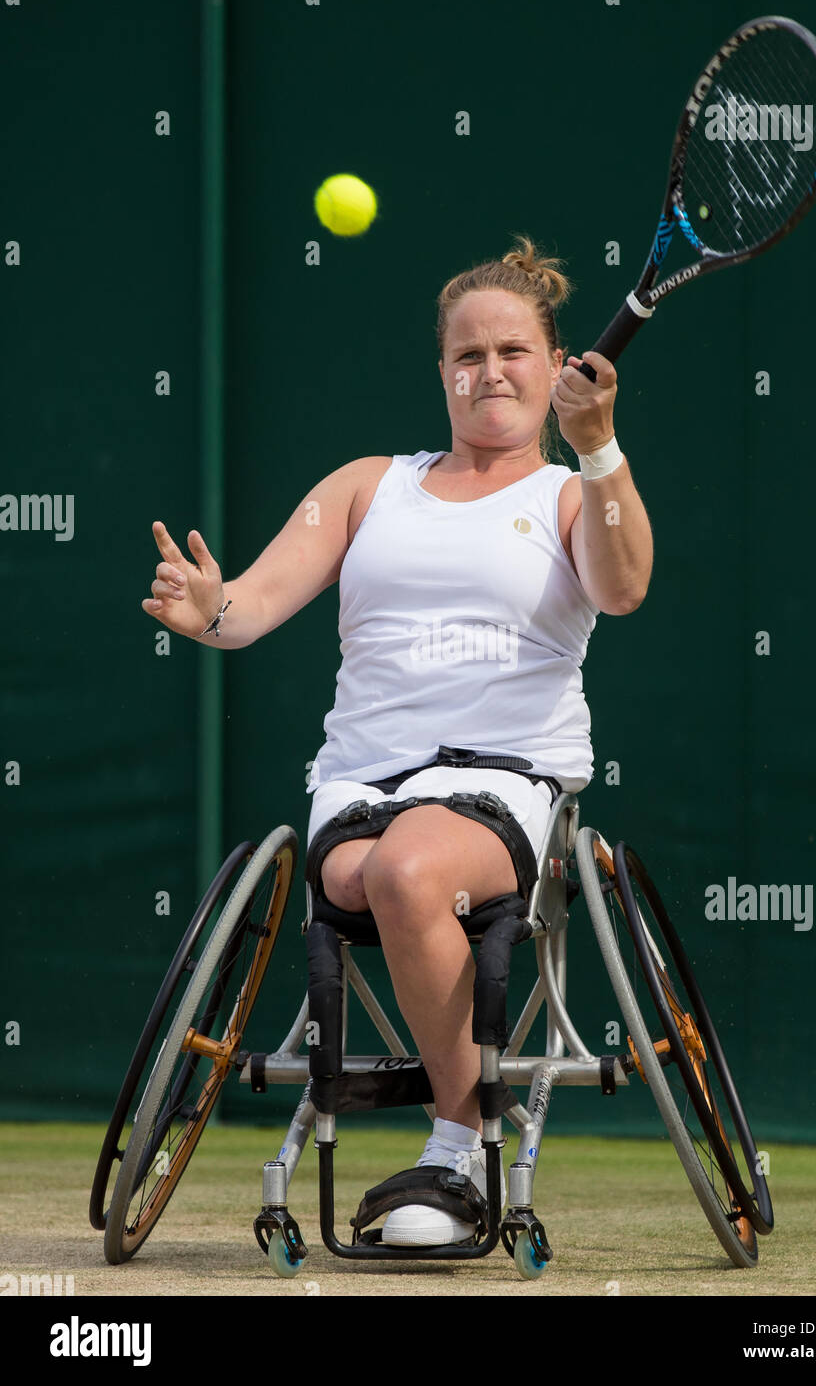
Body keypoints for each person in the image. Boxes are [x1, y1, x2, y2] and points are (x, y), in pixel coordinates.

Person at [142, 236, 654, 1247]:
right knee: (383, 864)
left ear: (556, 369)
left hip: (503, 786)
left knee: (410, 867)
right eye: (468, 355)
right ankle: (456, 1135)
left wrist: (598, 447)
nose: (490, 371)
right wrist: (206, 608)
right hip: (357, 789)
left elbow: (623, 585)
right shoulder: (370, 485)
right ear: (442, 374)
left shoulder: (562, 495)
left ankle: (455, 1151)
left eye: (513, 350)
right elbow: (244, 609)